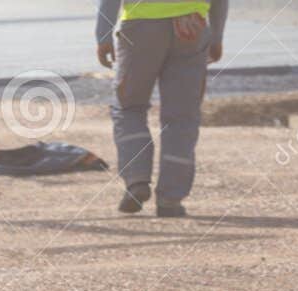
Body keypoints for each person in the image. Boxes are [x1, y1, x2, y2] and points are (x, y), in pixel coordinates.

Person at [96, 1, 228, 218]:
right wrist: (217, 36)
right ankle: (170, 199)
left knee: (129, 107)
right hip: (192, 24)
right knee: (182, 116)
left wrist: (102, 35)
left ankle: (136, 180)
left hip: (140, 26)